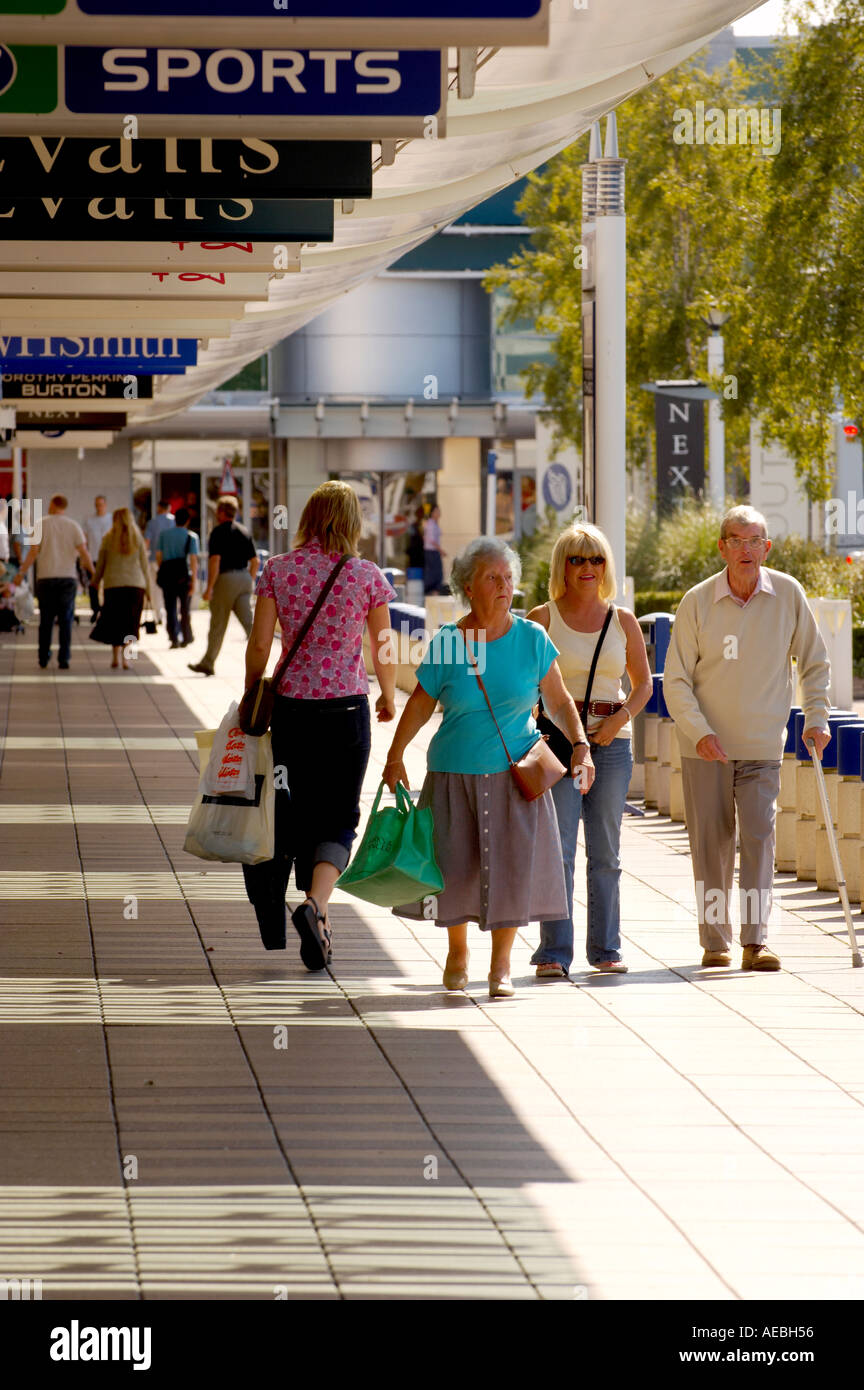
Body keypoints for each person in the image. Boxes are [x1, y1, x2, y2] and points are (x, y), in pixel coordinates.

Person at [383, 536, 595, 999]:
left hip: (515, 776)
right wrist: (395, 754)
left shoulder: (531, 639)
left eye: (507, 577)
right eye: (492, 578)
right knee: (454, 868)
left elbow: (558, 700)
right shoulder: (451, 641)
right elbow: (420, 705)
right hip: (453, 771)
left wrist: (580, 744)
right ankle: (458, 952)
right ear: (468, 587)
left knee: (511, 868)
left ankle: (501, 966)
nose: (503, 586)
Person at [663, 505, 831, 972]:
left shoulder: (788, 595)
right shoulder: (697, 602)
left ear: (766, 548)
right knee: (712, 847)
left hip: (761, 745)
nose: (745, 549)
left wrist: (816, 718)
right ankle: (715, 942)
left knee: (759, 840)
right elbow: (675, 679)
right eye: (735, 540)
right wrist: (699, 733)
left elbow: (815, 662)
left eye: (754, 540)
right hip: (706, 749)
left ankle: (756, 942)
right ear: (721, 547)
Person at [242, 481, 397, 963]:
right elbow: (384, 645)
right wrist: (388, 694)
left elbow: (260, 645)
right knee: (339, 815)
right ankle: (317, 904)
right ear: (353, 523)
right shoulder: (366, 574)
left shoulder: (278, 570)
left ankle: (306, 913)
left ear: (307, 519)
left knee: (292, 809)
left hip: (292, 711)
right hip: (347, 711)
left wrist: (253, 691)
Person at [527, 523, 653, 977]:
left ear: (606, 566)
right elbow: (527, 685)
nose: (587, 568)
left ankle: (605, 949)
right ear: (562, 565)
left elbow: (642, 686)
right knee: (557, 848)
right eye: (577, 559)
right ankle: (553, 953)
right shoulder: (541, 618)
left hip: (611, 744)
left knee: (606, 852)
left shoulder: (622, 621)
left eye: (596, 559)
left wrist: (618, 721)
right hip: (557, 742)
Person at [14, 494, 95, 670]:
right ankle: (64, 658)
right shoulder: (73, 526)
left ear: (52, 505)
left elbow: (33, 553)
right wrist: (94, 573)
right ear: (64, 507)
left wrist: (21, 572)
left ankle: (43, 657)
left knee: (46, 620)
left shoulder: (40, 524)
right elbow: (84, 552)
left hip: (45, 578)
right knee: (66, 620)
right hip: (67, 578)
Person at [188, 495, 258, 676]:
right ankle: (262, 662)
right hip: (244, 578)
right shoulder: (244, 531)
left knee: (218, 624)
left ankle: (208, 663)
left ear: (220, 511)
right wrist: (249, 580)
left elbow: (215, 561)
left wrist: (209, 587)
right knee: (250, 625)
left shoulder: (218, 532)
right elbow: (255, 561)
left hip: (226, 579)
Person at [90, 508, 153, 670]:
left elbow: (101, 564)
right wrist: (149, 590)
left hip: (113, 586)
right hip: (135, 586)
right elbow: (145, 567)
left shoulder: (108, 538)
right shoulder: (137, 538)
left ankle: (115, 657)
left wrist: (95, 581)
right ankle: (127, 659)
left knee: (115, 622)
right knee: (131, 624)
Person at [156, 507, 199, 648]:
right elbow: (193, 560)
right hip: (183, 576)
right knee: (185, 608)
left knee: (170, 607)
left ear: (175, 519)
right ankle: (186, 636)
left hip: (168, 575)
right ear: (188, 520)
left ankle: (173, 638)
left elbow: (158, 556)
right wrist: (194, 581)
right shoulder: (191, 536)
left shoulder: (164, 535)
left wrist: (164, 568)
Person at [82, 494, 112, 622]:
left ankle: (106, 611)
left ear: (105, 505)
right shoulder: (89, 520)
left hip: (108, 558)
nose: (99, 507)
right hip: (93, 557)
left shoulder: (111, 519)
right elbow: (84, 539)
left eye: (101, 504)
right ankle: (95, 610)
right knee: (93, 585)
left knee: (108, 586)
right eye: (97, 505)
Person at [423, 503, 447, 595]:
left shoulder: (433, 524)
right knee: (435, 573)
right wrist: (441, 550)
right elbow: (431, 540)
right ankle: (431, 591)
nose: (438, 513)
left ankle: (434, 592)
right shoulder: (431, 524)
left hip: (433, 551)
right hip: (432, 551)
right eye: (436, 511)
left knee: (436, 573)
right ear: (432, 513)